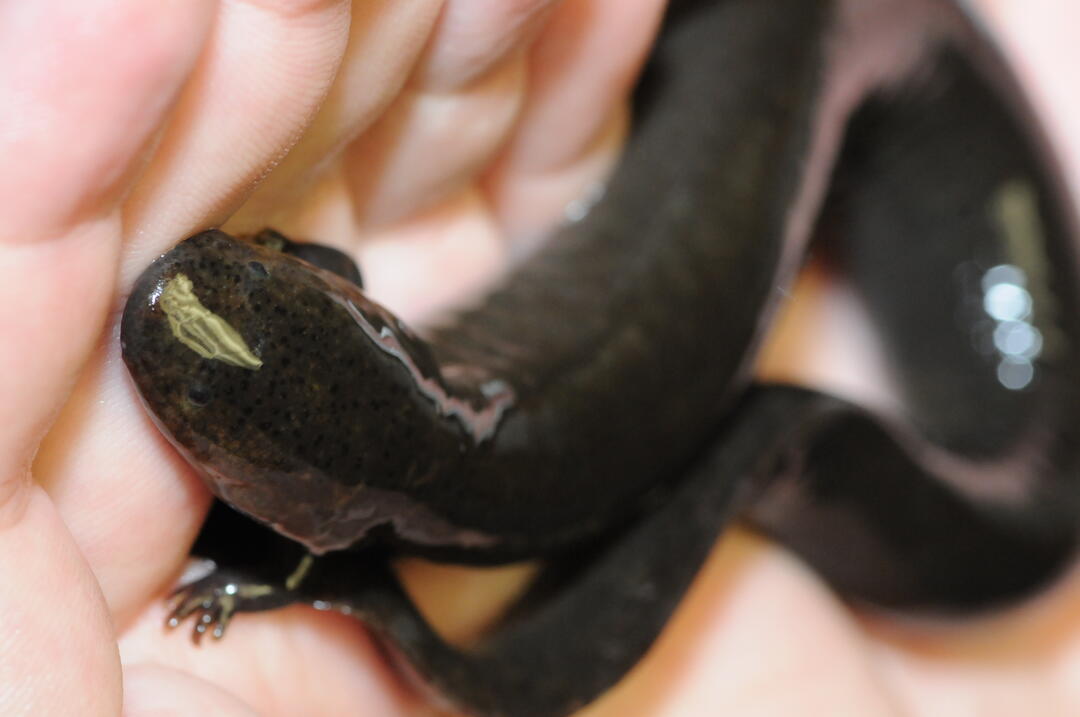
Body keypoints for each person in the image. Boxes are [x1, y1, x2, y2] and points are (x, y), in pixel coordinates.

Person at [1, 0, 1076, 714]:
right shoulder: (440, 508)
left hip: (857, 55)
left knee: (770, 426)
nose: (182, 303)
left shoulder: (429, 518)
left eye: (275, 271)